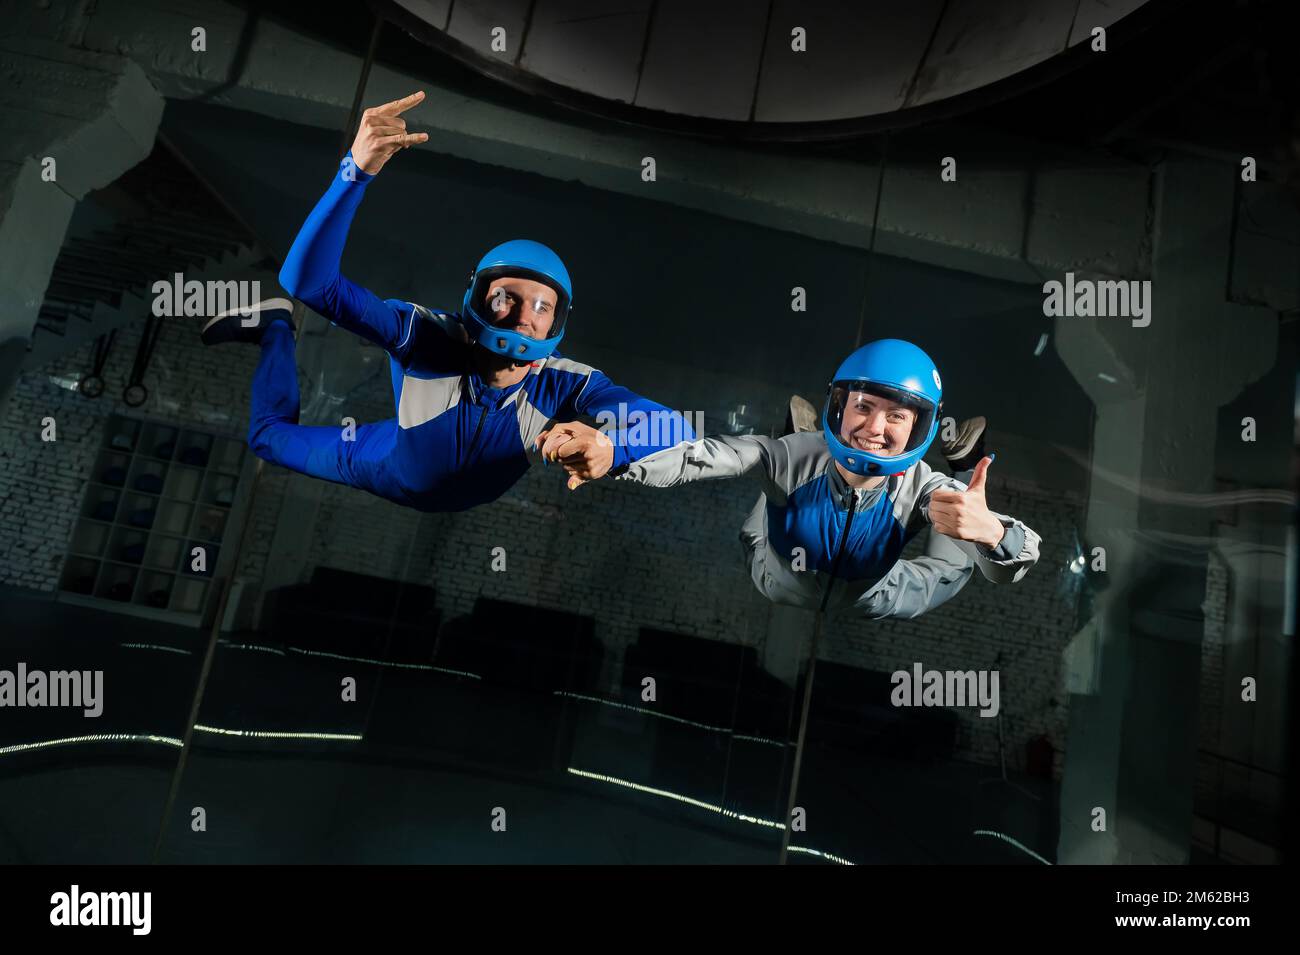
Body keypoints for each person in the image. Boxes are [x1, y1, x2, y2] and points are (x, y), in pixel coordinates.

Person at [199, 90, 691, 512]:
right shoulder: (424, 335)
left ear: (559, 321)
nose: (524, 318)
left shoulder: (568, 385)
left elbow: (673, 425)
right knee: (266, 439)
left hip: (441, 486)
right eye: (505, 298)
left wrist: (612, 445)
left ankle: (276, 330)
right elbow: (308, 284)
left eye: (543, 307)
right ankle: (276, 330)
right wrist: (355, 172)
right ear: (476, 296)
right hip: (383, 462)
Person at [540, 339, 1040, 618]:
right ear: (840, 406)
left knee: (950, 566)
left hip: (876, 594)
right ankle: (798, 439)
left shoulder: (921, 485)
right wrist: (618, 452)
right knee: (771, 493)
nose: (873, 429)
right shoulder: (789, 456)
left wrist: (992, 532)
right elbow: (698, 455)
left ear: (919, 428)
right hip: (775, 576)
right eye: (864, 408)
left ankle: (963, 461)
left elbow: (1012, 563)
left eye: (897, 418)